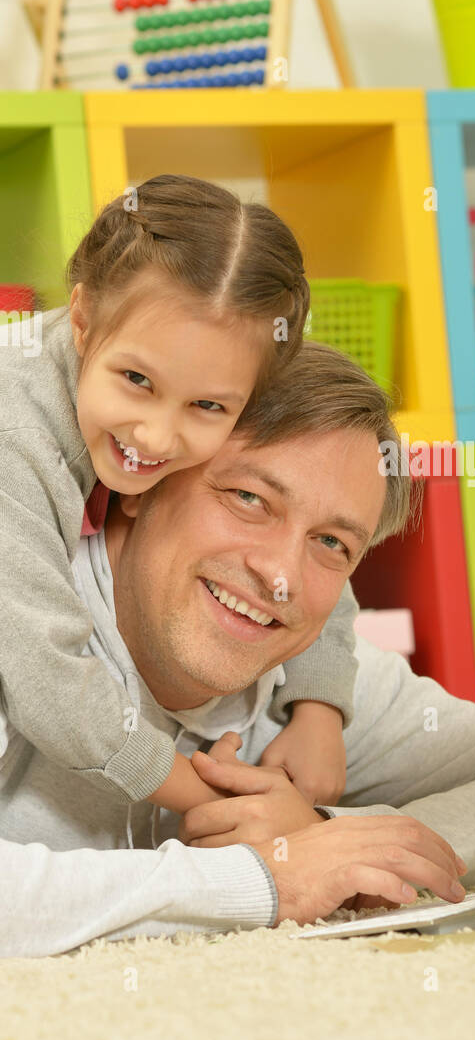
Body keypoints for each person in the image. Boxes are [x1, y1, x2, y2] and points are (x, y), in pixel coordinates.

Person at [0, 342, 475, 958]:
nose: (281, 576)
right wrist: (267, 882)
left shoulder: (300, 692)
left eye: (331, 543)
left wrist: (336, 839)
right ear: (142, 477)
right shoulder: (23, 623)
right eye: (248, 499)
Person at [0, 174, 358, 835]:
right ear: (81, 320)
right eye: (137, 381)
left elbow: (321, 517)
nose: (157, 436)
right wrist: (216, 801)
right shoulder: (13, 435)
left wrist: (319, 708)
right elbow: (47, 679)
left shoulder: (142, 369)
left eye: (207, 406)